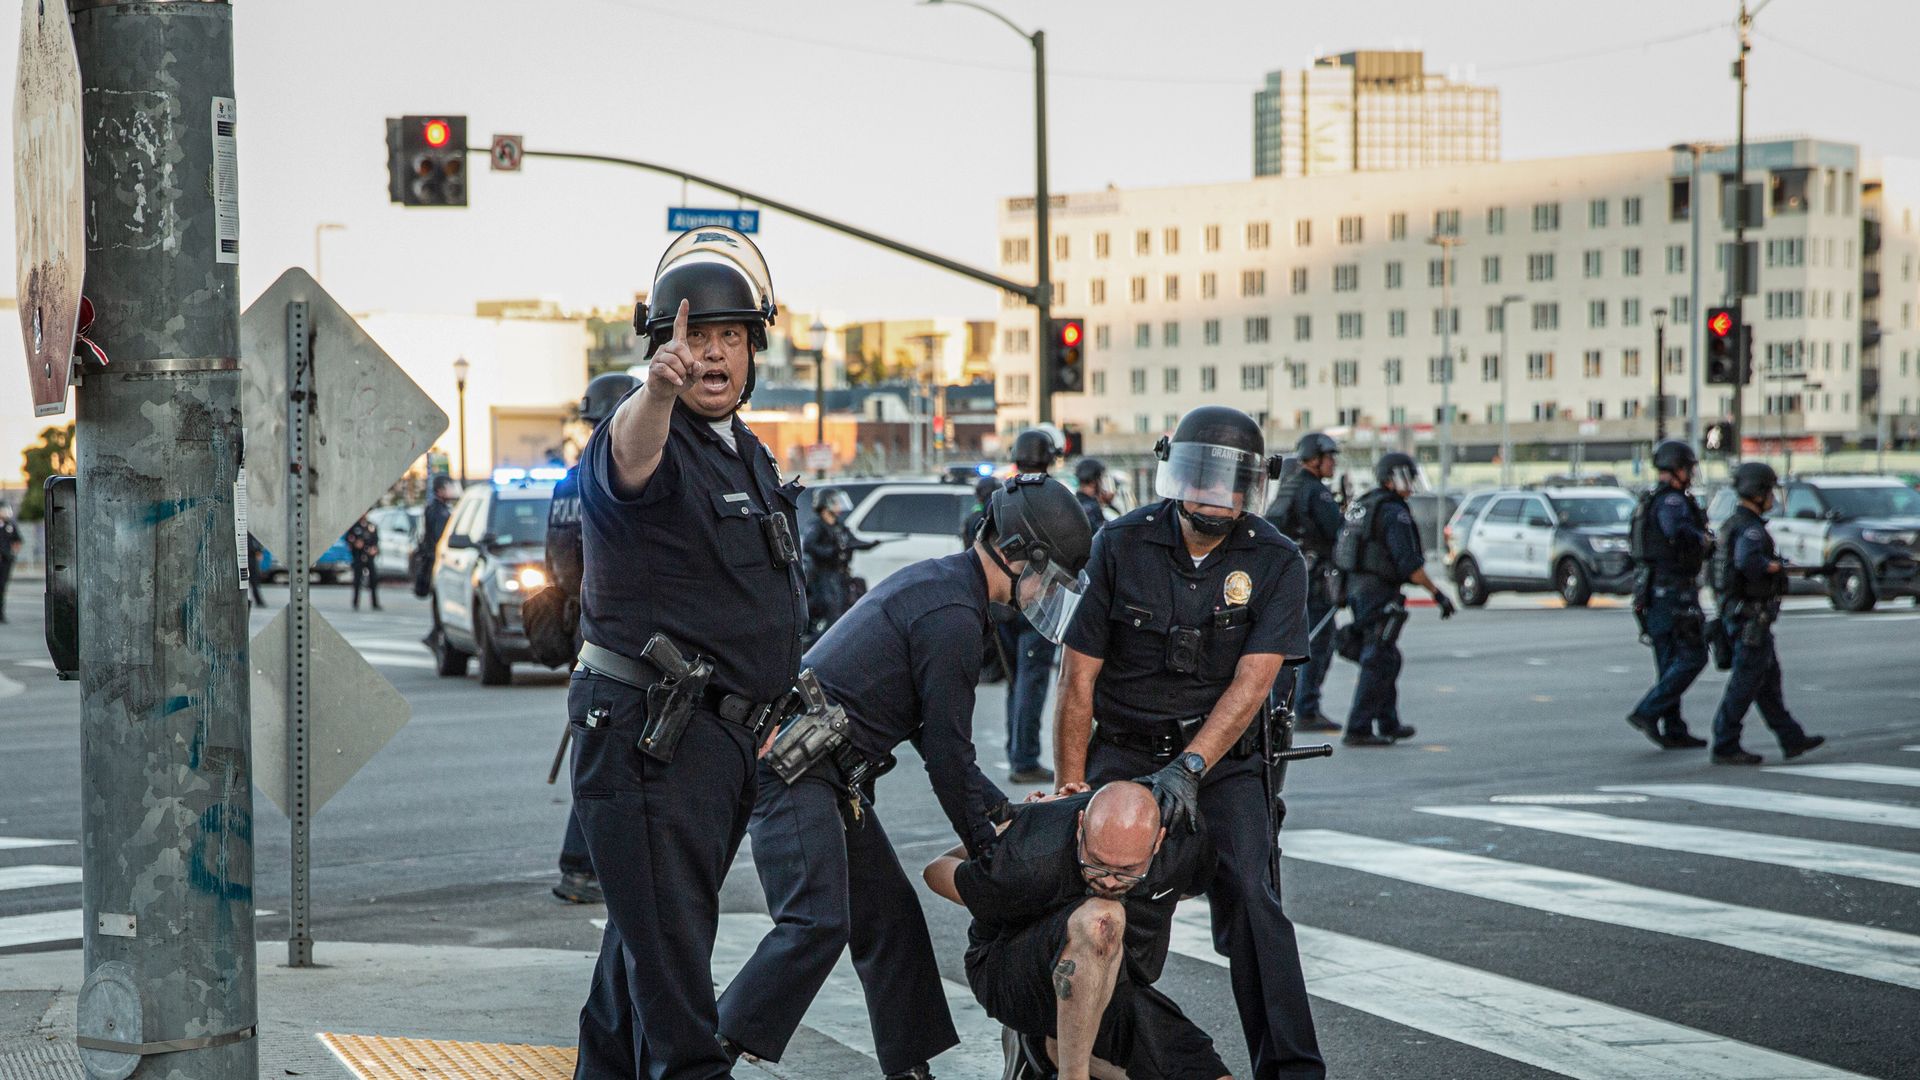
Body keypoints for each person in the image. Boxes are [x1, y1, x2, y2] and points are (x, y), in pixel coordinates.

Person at [715, 474, 1094, 1080]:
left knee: (889, 919)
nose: (1046, 593)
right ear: (1022, 555)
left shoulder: (949, 588)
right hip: (793, 770)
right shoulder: (952, 615)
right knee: (816, 922)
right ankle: (708, 1055)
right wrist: (993, 848)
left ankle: (908, 1070)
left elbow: (931, 732)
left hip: (830, 773)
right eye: (1052, 578)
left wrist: (1000, 814)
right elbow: (947, 756)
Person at [568, 226, 806, 1080]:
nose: (712, 356)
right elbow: (631, 460)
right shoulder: (647, 436)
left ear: (753, 351)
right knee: (678, 1007)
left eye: (730, 339)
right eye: (696, 337)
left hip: (715, 750)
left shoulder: (744, 450)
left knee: (637, 975)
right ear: (663, 346)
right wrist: (652, 394)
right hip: (650, 746)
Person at [1054, 405, 1325, 1080]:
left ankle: (1292, 1071)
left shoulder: (1275, 559)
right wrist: (1072, 785)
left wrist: (1192, 766)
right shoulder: (1121, 543)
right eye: (1198, 477)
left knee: (1255, 904)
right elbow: (1078, 678)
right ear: (1172, 470)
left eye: (1230, 481)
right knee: (1111, 910)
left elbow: (1254, 681)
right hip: (1125, 750)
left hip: (1224, 763)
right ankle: (1103, 1055)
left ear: (1254, 485)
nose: (1212, 495)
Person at [924, 783, 1226, 1080]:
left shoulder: (1185, 838)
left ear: (1158, 841)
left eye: (1127, 870)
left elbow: (1184, 889)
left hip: (1117, 980)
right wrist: (1007, 834)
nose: (1108, 881)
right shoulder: (1032, 849)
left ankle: (1044, 1050)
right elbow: (937, 869)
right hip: (1011, 974)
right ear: (1081, 826)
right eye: (1096, 864)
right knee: (1102, 919)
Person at [542, 370, 636, 907]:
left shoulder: (565, 484)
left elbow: (553, 568)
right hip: (613, 635)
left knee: (597, 749)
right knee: (608, 756)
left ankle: (588, 865)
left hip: (581, 628)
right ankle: (580, 865)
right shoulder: (610, 478)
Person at [1708, 462, 1827, 765]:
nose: (1773, 498)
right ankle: (1725, 743)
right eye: (1770, 491)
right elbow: (1748, 564)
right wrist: (1777, 567)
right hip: (1750, 617)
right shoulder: (1749, 530)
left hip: (1743, 616)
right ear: (1758, 491)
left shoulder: (1737, 524)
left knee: (1767, 682)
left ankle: (1791, 737)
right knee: (1746, 683)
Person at [1337, 453, 1455, 748]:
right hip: (1378, 593)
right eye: (1407, 475)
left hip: (1358, 588)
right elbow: (1409, 564)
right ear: (1392, 477)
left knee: (1387, 657)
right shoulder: (1393, 512)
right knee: (1377, 658)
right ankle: (1358, 727)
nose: (1411, 482)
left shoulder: (1367, 504)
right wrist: (1437, 594)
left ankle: (1388, 721)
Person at [1624, 440, 1711, 749]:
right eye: (1688, 468)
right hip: (1673, 593)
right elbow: (1679, 534)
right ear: (1677, 469)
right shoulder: (1672, 503)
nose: (1690, 474)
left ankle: (1673, 727)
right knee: (1693, 657)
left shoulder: (1651, 500)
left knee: (1669, 663)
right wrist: (1703, 540)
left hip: (1653, 592)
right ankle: (1647, 711)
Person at [1264, 433, 1345, 734]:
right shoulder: (1316, 491)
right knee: (1318, 642)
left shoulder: (1288, 488)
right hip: (1314, 578)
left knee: (1292, 644)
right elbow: (1339, 531)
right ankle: (1307, 707)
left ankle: (1280, 706)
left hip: (1290, 577)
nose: (1333, 463)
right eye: (1329, 457)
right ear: (1315, 458)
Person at [1004, 427, 1066, 784]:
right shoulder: (1052, 496)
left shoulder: (1003, 493)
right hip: (1038, 603)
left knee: (1017, 682)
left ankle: (1019, 752)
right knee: (1032, 682)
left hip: (1003, 605)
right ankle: (1024, 758)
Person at [802, 486, 879, 641]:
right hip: (825, 577)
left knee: (846, 610)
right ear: (826, 503)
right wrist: (831, 551)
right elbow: (809, 546)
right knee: (832, 614)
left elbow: (851, 541)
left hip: (841, 576)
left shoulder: (839, 526)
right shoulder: (817, 527)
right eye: (835, 502)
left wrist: (869, 544)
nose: (839, 507)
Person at [346, 513, 381, 611]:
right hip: (358, 555)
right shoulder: (354, 526)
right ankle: (355, 602)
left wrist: (374, 549)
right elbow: (349, 538)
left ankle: (375, 603)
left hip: (369, 556)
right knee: (357, 580)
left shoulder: (371, 526)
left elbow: (376, 540)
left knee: (373, 579)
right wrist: (355, 543)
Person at [1074, 458, 1113, 535]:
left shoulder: (1074, 502)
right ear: (1093, 481)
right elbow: (1104, 536)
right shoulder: (1092, 508)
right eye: (1101, 478)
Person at [0, 501, 20, 623]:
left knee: (2, 587)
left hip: (6, 561)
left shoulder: (9, 525)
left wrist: (12, 553)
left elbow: (18, 540)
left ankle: (1, 613)